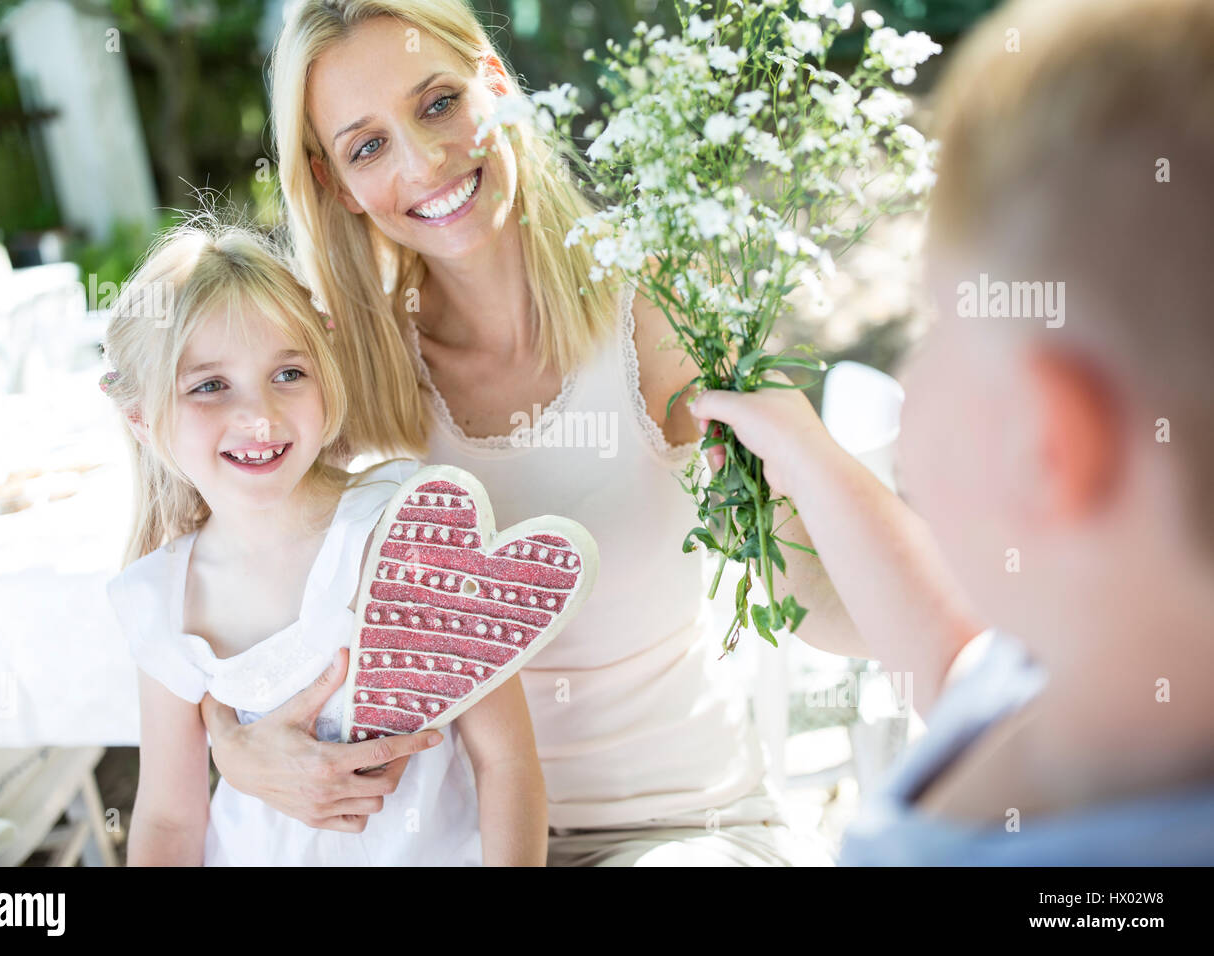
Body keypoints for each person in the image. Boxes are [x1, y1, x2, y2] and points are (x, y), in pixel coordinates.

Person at [199, 0, 935, 866]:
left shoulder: (655, 309)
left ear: (497, 85)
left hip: (677, 831)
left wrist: (977, 651)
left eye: (439, 103)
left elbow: (809, 581)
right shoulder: (337, 382)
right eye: (368, 146)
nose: (427, 158)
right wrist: (230, 748)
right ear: (334, 184)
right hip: (451, 845)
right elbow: (211, 582)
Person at [690, 0, 1214, 863]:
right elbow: (960, 667)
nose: (906, 376)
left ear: (1045, 441)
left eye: (937, 327)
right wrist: (809, 465)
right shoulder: (1091, 671)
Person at [101, 217, 547, 865]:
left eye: (288, 373)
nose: (259, 417)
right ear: (141, 419)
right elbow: (171, 819)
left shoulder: (397, 532)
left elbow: (506, 761)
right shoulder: (160, 598)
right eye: (209, 386)